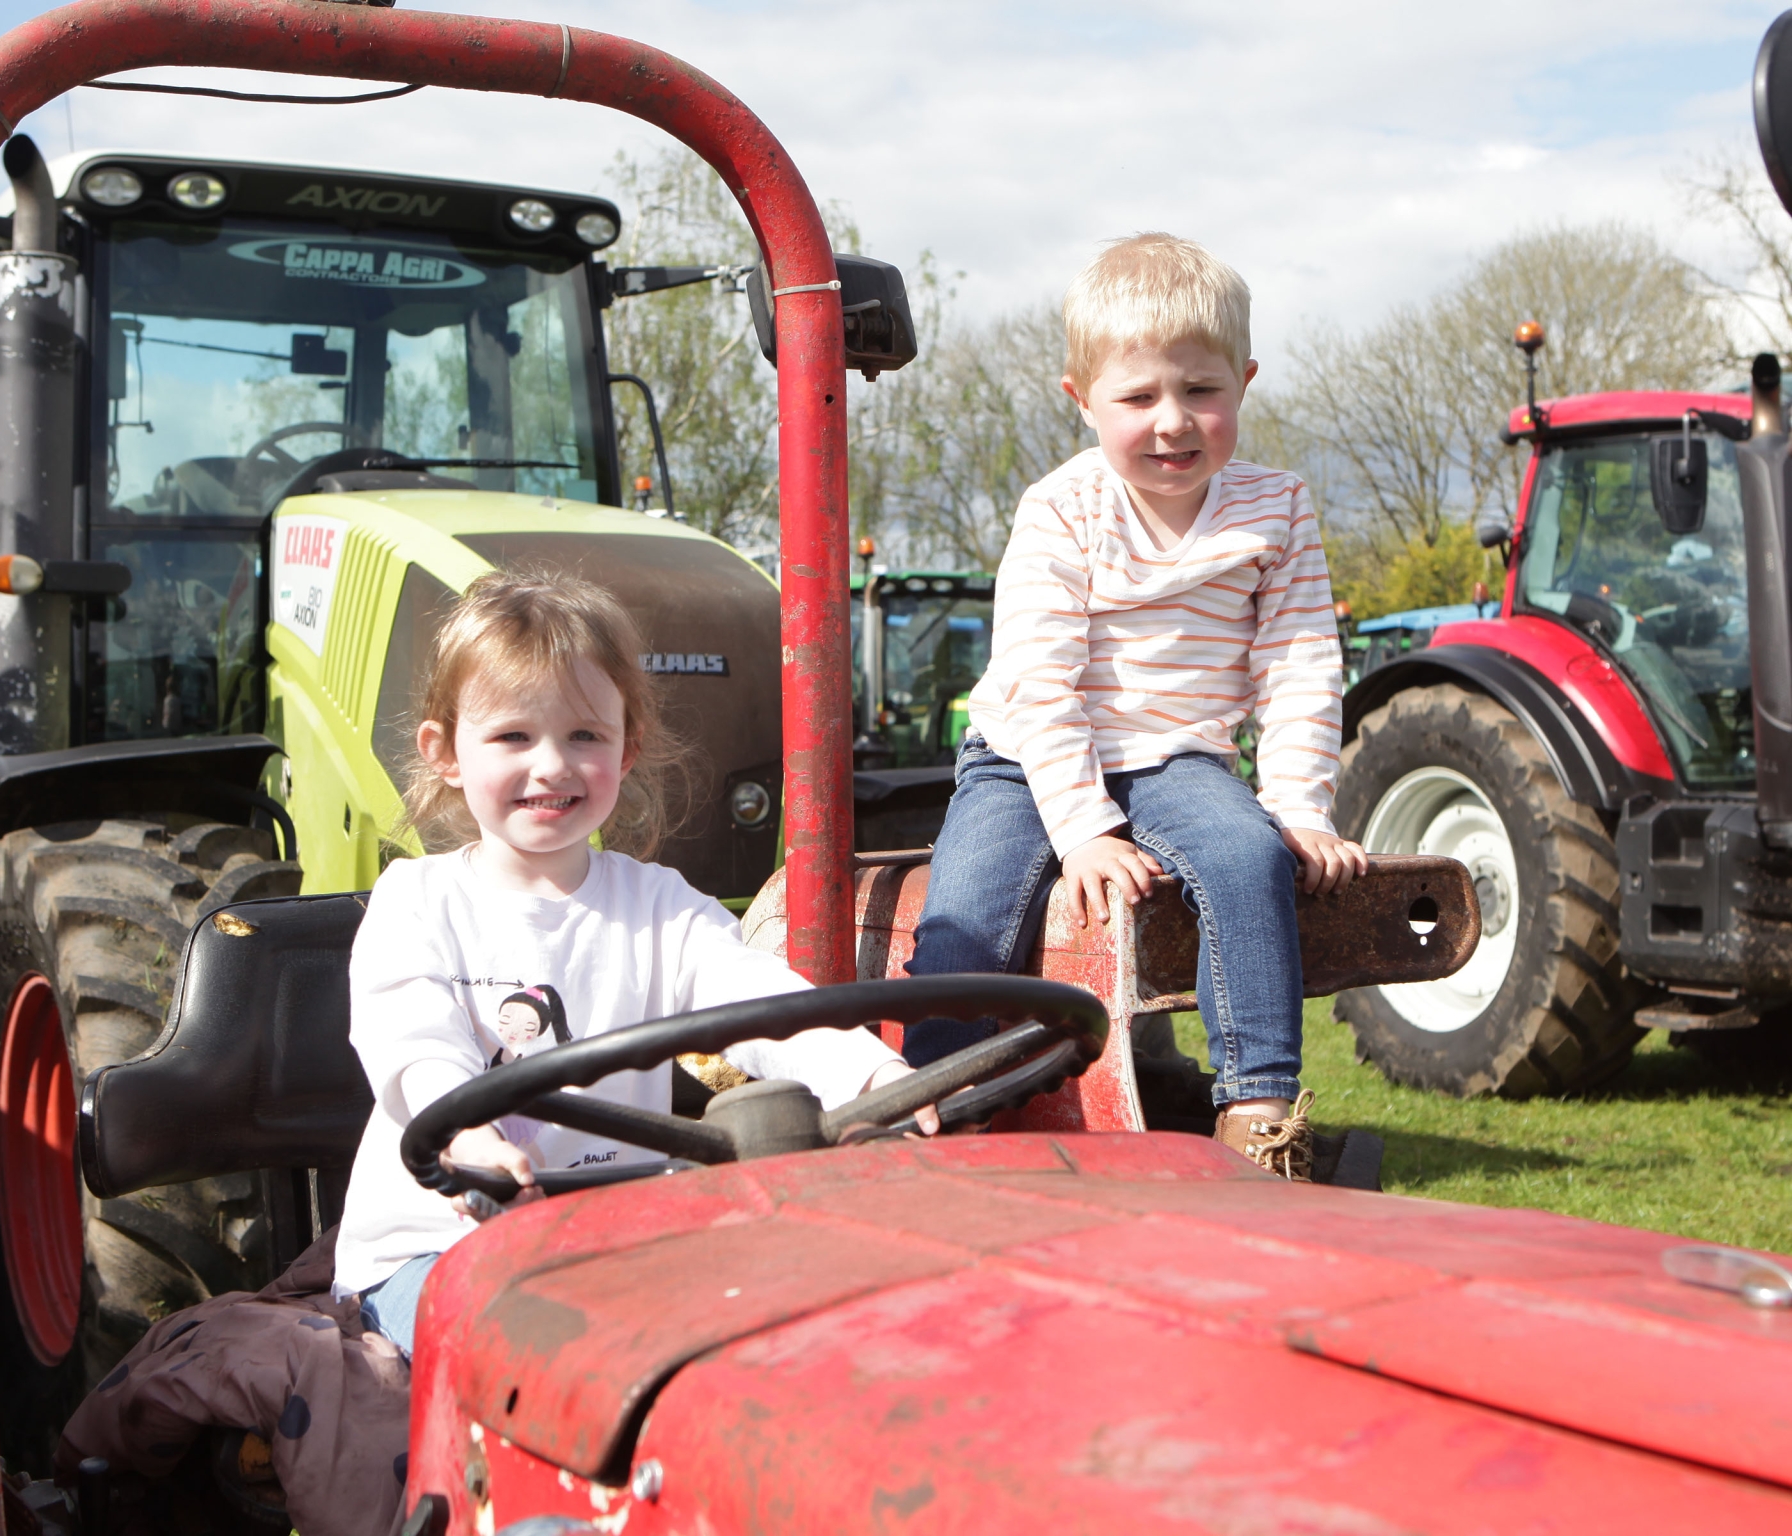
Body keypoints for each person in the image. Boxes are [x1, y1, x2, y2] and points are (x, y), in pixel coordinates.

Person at [333, 569, 932, 1356]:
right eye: (514, 736)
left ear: (628, 746)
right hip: (435, 1248)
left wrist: (870, 1078)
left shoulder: (658, 907)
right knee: (542, 1348)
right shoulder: (417, 900)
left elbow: (761, 1003)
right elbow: (413, 1041)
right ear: (444, 752)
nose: (552, 766)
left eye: (585, 735)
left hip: (609, 1239)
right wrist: (465, 1131)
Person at [904, 232, 1366, 1179]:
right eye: (1139, 396)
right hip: (1027, 752)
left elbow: (1300, 661)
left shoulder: (1274, 509)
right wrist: (1079, 832)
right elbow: (1041, 679)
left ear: (1243, 382)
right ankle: (927, 1114)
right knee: (971, 914)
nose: (1173, 422)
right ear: (1082, 401)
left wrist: (1298, 810)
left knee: (1247, 856)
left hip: (1178, 757)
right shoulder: (1063, 510)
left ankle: (1259, 1112)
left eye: (1201, 391)